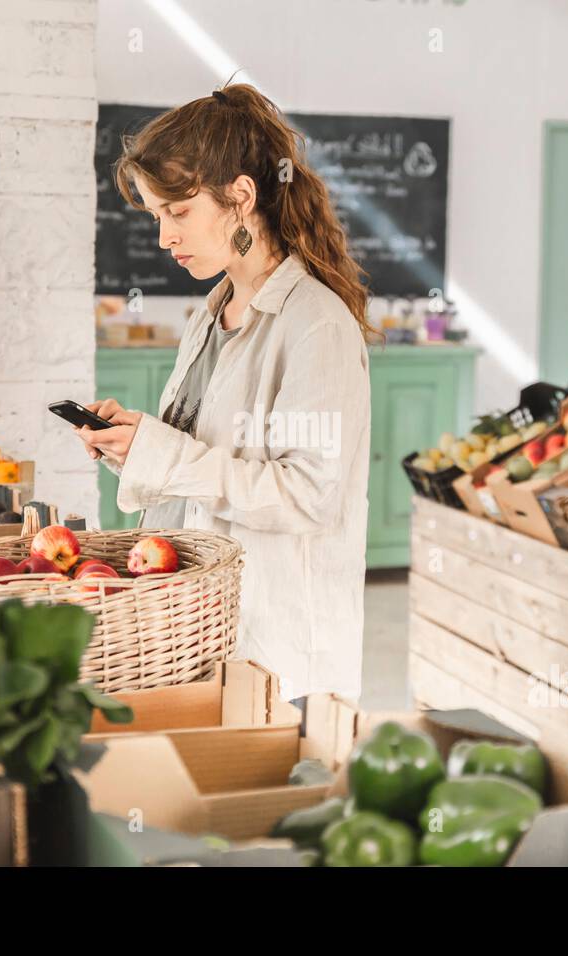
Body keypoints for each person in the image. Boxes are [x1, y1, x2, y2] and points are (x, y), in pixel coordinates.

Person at [74, 84, 376, 702]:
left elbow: (305, 497)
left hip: (278, 651)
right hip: (198, 630)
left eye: (178, 213)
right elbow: (202, 465)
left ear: (241, 197)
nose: (163, 237)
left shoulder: (315, 324)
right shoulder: (210, 316)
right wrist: (136, 443)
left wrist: (161, 455)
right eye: (156, 216)